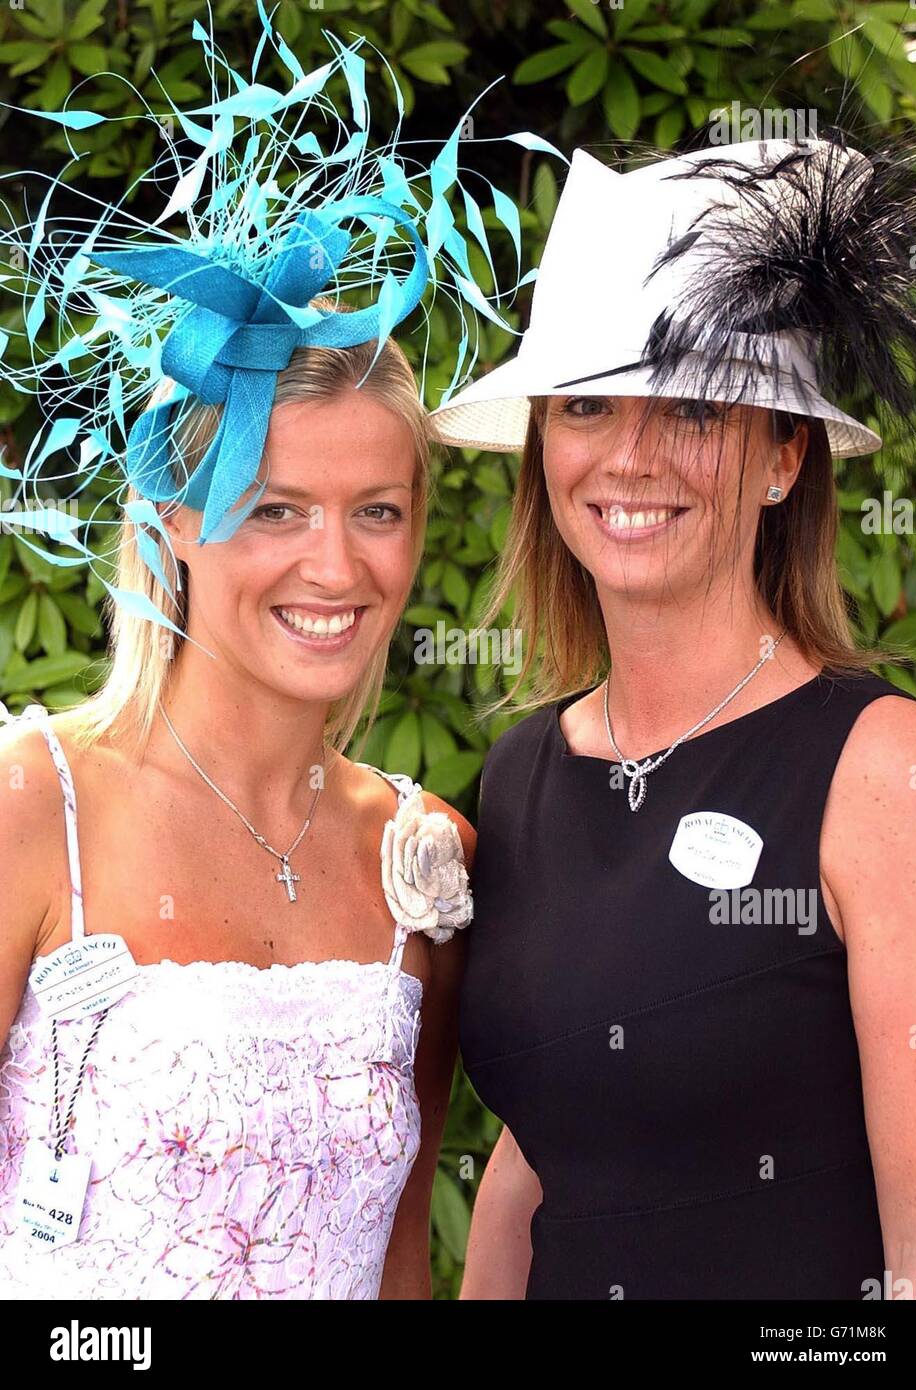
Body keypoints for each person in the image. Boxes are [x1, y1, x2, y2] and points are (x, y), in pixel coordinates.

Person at [0, 7, 549, 1298]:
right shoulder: (36, 802)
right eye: (274, 509)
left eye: (378, 512)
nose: (336, 567)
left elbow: (402, 1242)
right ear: (174, 522)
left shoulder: (425, 855)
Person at [430, 135, 916, 1299]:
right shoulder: (521, 773)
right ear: (544, 446)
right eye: (589, 406)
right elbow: (549, 1145)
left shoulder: (881, 770)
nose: (632, 455)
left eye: (698, 410)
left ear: (782, 458)